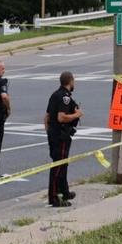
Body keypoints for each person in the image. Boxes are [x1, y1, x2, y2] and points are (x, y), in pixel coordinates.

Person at [45, 71, 82, 207]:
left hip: (55, 134)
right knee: (58, 166)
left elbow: (47, 117)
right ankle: (53, 197)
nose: (74, 83)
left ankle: (64, 191)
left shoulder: (55, 94)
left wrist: (49, 133)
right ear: (70, 81)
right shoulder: (64, 97)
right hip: (61, 135)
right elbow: (61, 117)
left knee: (63, 164)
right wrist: (77, 114)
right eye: (74, 81)